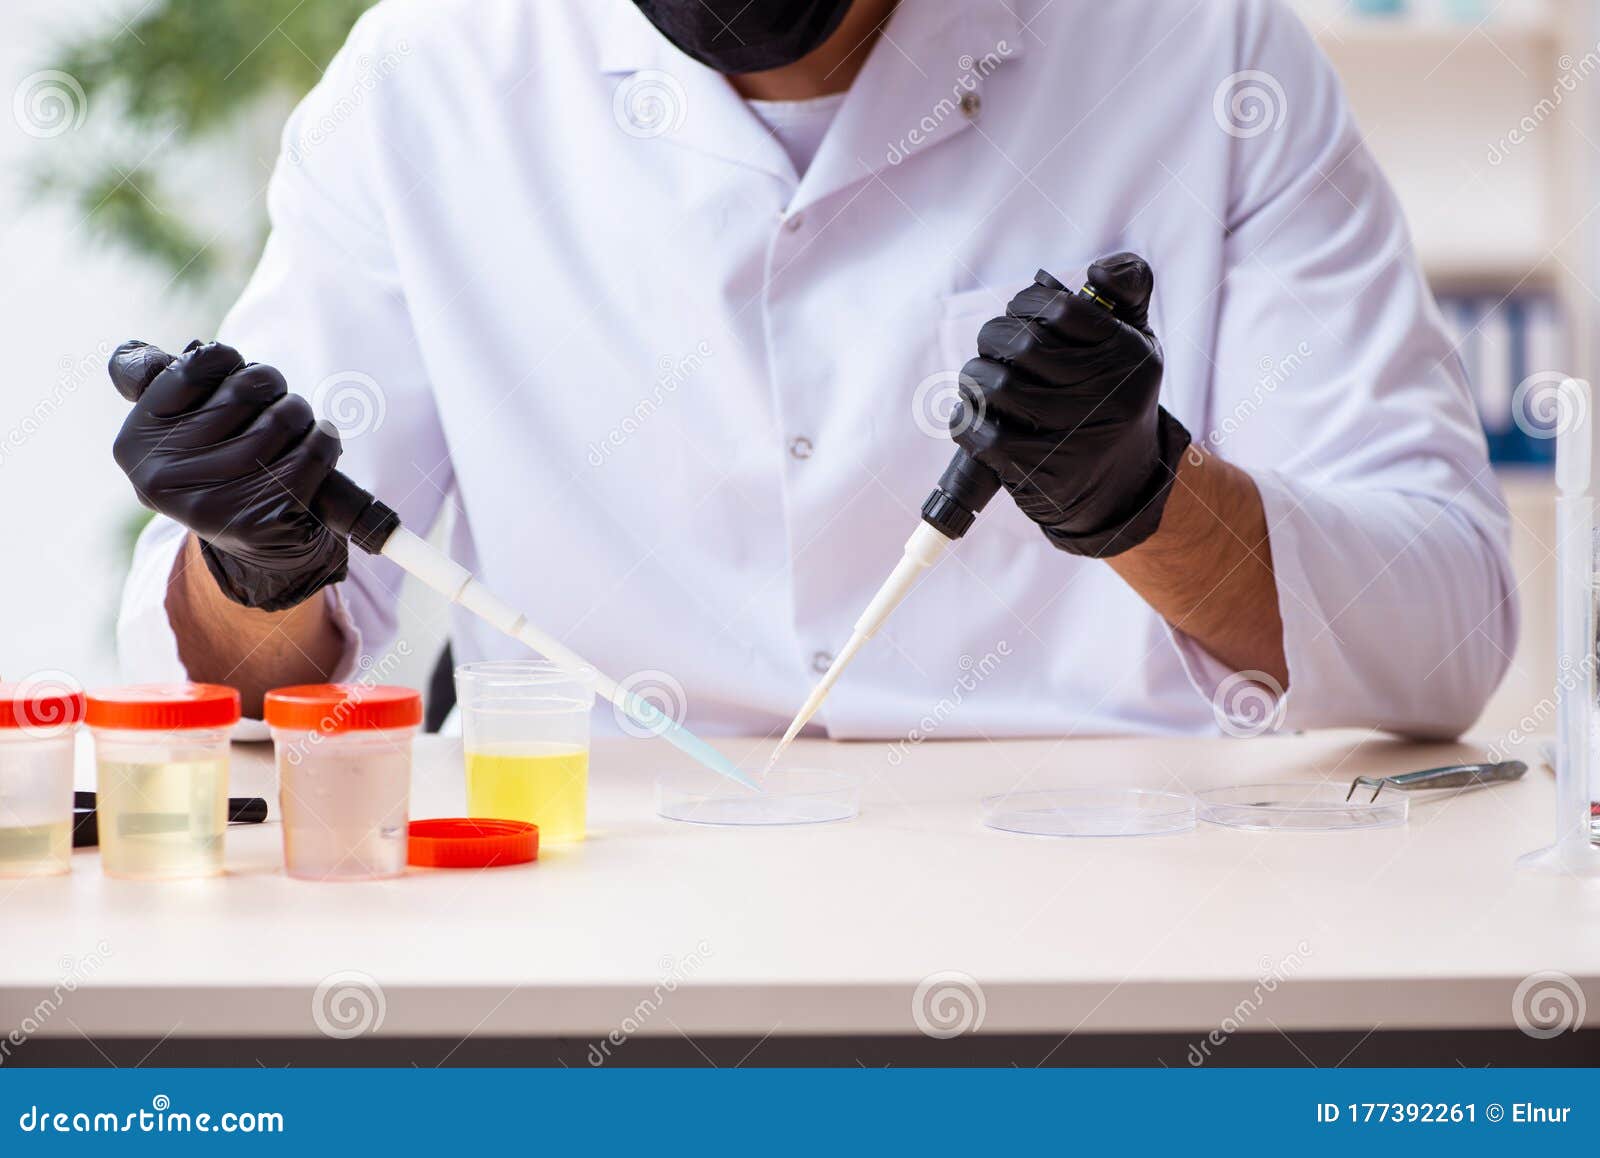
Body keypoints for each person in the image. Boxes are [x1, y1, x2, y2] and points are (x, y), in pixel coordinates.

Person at [113, 0, 1516, 742]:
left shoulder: (1200, 47)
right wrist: (255, 565)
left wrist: (1146, 497)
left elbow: (1444, 631)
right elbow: (228, 696)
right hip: (606, 922)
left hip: (1106, 905)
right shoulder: (423, 85)